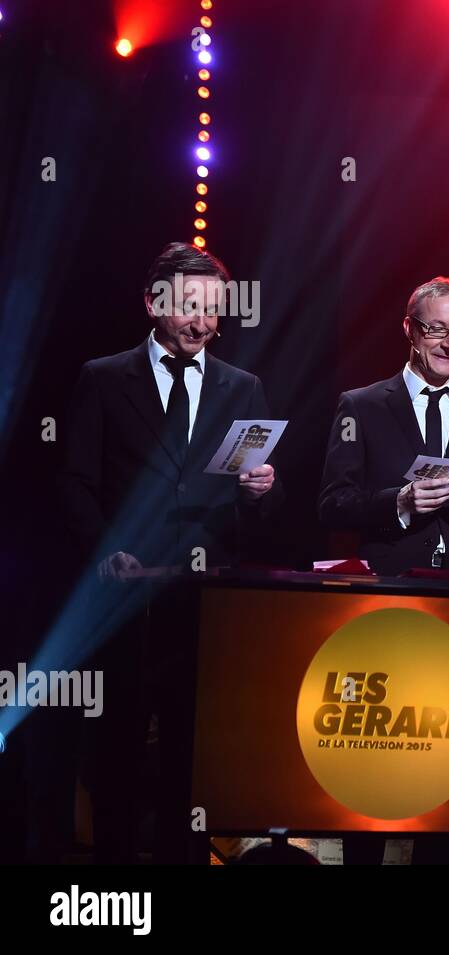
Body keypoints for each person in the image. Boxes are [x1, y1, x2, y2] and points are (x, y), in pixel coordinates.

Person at [59, 241, 283, 863]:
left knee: (194, 754)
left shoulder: (244, 388)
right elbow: (74, 483)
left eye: (213, 310)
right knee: (118, 755)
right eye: (189, 306)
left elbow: (258, 500)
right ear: (154, 304)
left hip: (205, 603)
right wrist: (107, 552)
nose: (202, 322)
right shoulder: (103, 379)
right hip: (123, 601)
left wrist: (264, 488)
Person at [318, 276, 449, 582]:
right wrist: (399, 503)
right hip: (387, 583)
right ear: (410, 329)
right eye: (436, 329)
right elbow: (333, 506)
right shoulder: (361, 406)